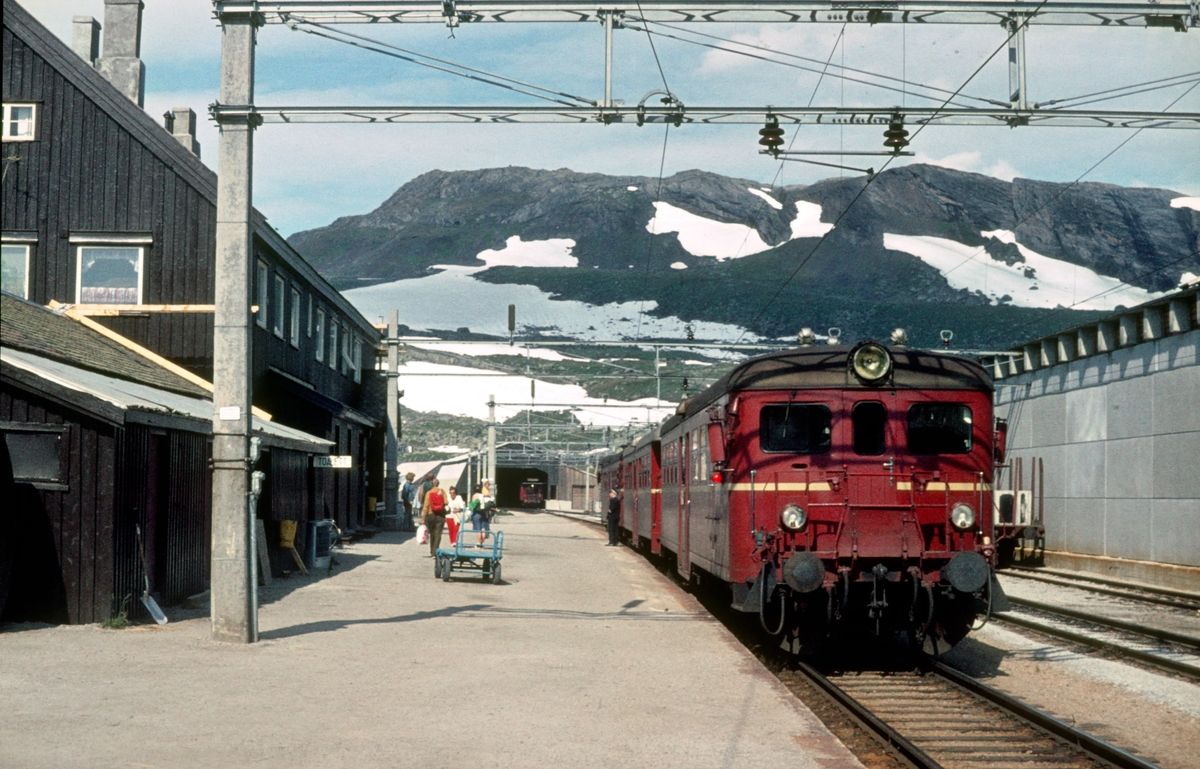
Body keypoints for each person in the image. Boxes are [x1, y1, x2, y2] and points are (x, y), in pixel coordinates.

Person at [422, 478, 448, 557]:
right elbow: (446, 502)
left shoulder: (428, 493)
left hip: (431, 514)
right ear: (438, 484)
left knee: (432, 533)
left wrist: (423, 518)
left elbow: (426, 507)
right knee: (438, 533)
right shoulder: (442, 491)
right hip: (440, 514)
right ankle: (435, 551)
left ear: (431, 484)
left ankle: (432, 551)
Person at [469, 483, 492, 547]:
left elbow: (472, 506)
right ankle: (482, 543)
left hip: (476, 514)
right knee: (483, 528)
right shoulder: (483, 495)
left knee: (478, 529)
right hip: (484, 513)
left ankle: (478, 543)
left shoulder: (474, 496)